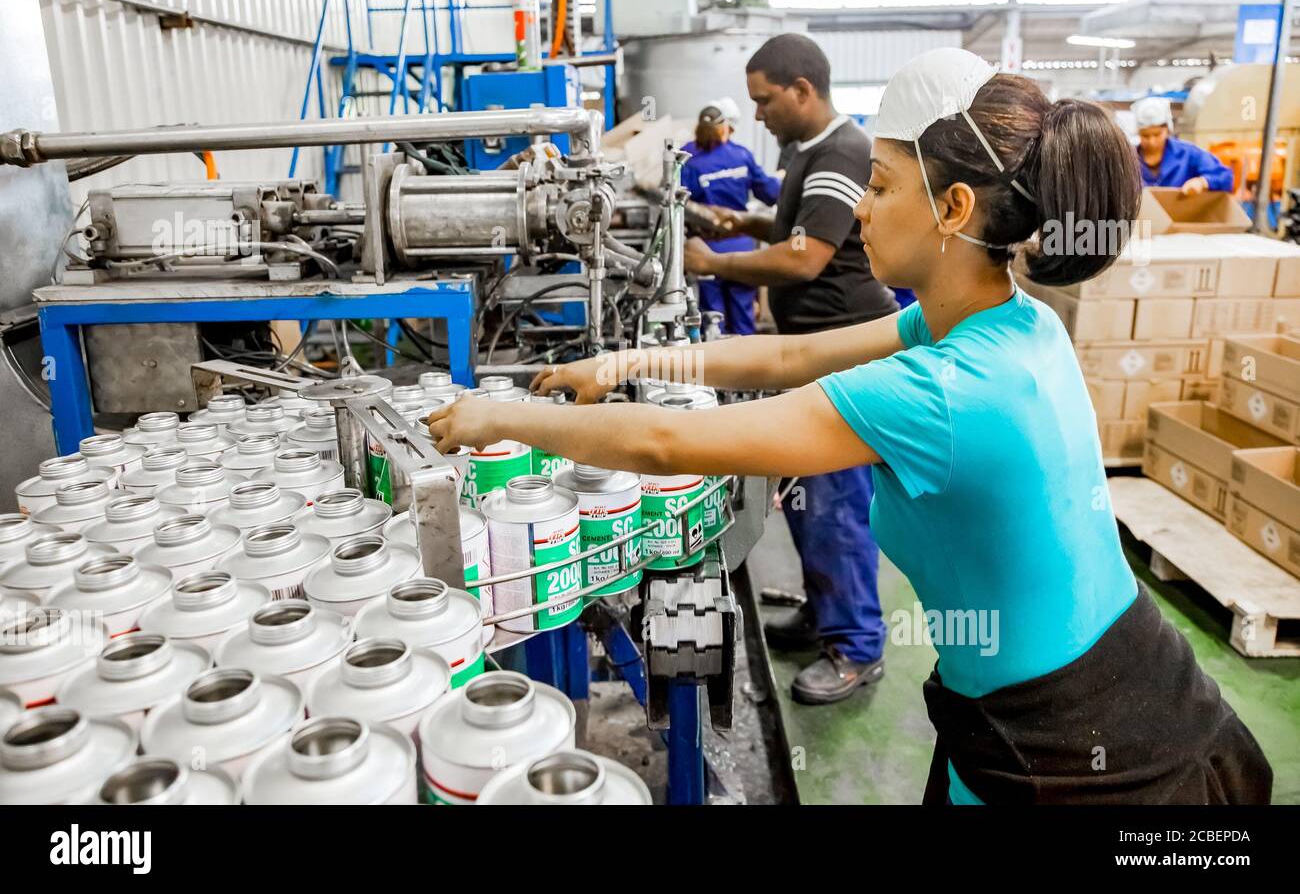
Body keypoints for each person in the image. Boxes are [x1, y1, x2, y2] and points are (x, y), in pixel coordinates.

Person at [427, 47, 1271, 804]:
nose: (860, 210)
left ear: (956, 207)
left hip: (1086, 759)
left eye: (882, 185)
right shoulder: (1004, 320)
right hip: (1099, 691)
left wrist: (496, 416)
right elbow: (789, 359)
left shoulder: (942, 388)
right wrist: (624, 367)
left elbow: (667, 444)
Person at [689, 34, 899, 705]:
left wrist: (715, 263)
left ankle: (857, 646)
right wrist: (744, 223)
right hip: (812, 348)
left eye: (766, 101)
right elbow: (795, 228)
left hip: (840, 346)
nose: (760, 116)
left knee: (835, 504)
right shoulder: (804, 150)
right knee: (808, 501)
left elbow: (807, 257)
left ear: (802, 90)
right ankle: (825, 612)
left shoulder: (842, 150)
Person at [680, 98, 782, 336]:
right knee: (743, 315)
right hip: (741, 248)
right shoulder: (741, 155)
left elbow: (680, 203)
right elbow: (769, 194)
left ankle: (716, 368)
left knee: (712, 318)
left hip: (705, 250)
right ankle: (747, 369)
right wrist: (782, 179)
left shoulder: (686, 157)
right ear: (725, 127)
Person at [1132, 96, 1233, 194]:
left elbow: (1225, 176)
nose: (1152, 141)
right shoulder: (1130, 159)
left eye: (1157, 134)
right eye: (1145, 136)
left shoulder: (1188, 154)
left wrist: (1202, 182)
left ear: (1168, 129)